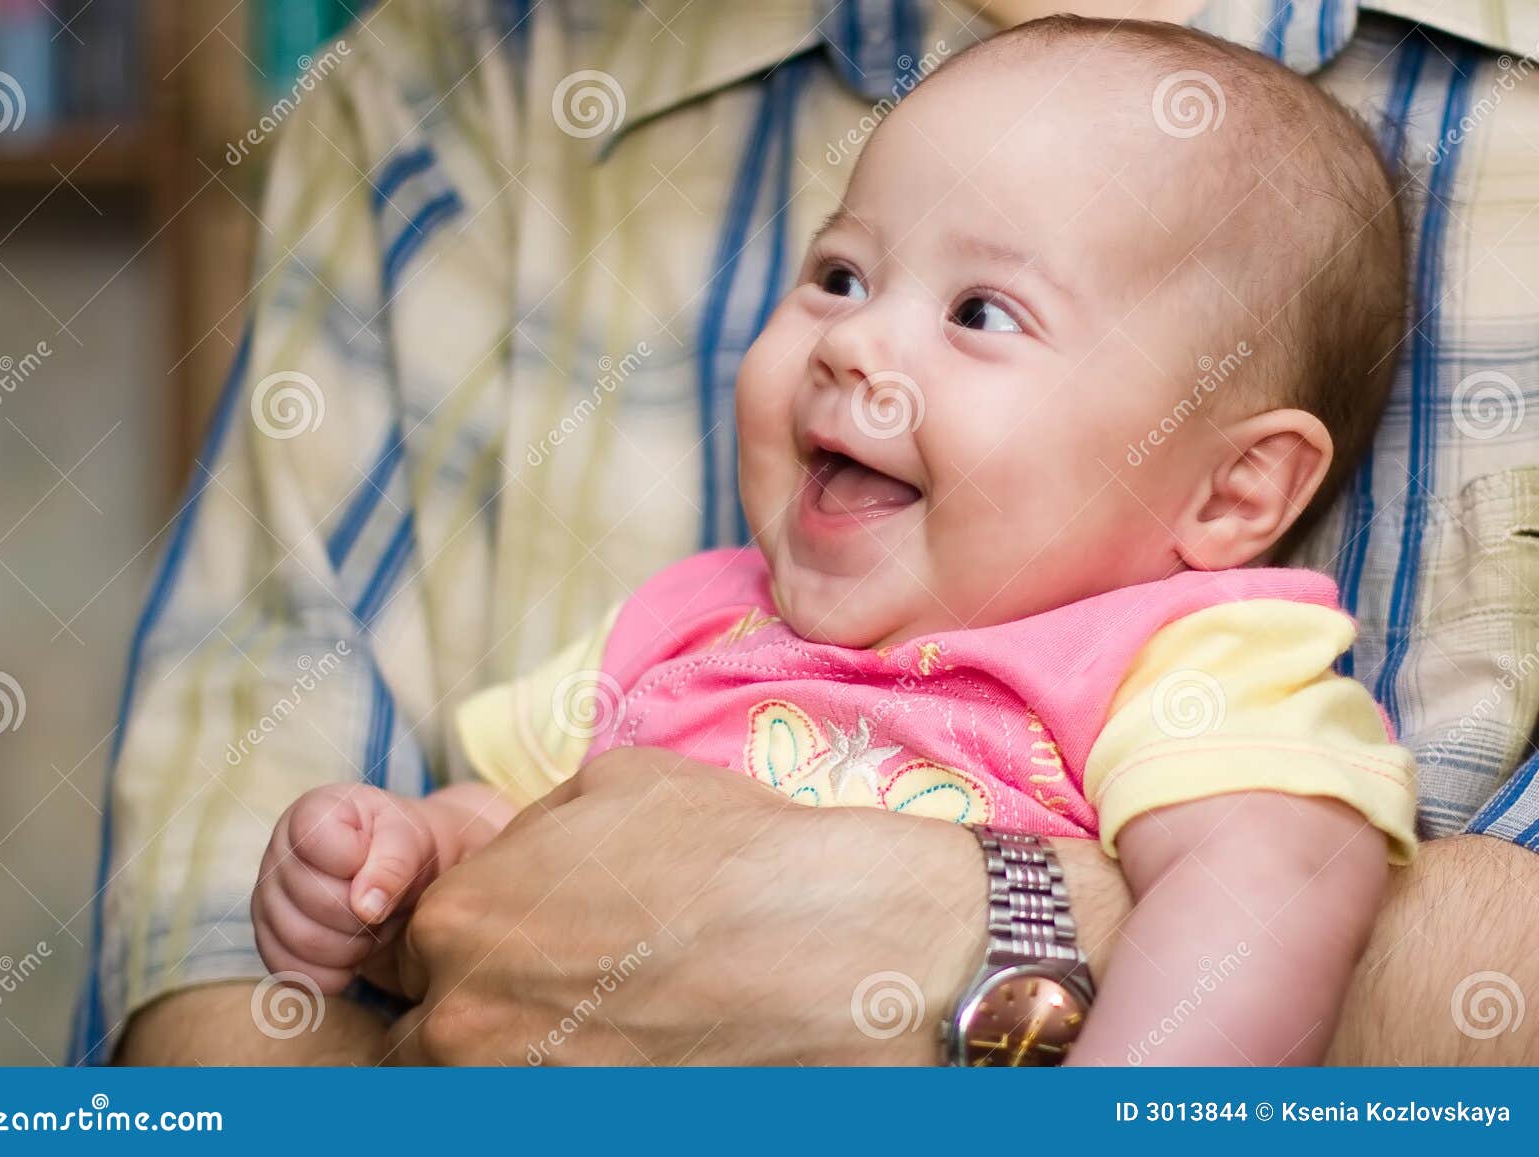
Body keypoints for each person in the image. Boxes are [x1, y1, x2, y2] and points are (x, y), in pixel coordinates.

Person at [81, 0, 1539, 1068]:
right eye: (840, 275)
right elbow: (509, 849)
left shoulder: (1173, 661)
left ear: (1227, 493)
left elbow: (1278, 879)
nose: (853, 349)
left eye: (982, 315)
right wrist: (392, 859)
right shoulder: (693, 622)